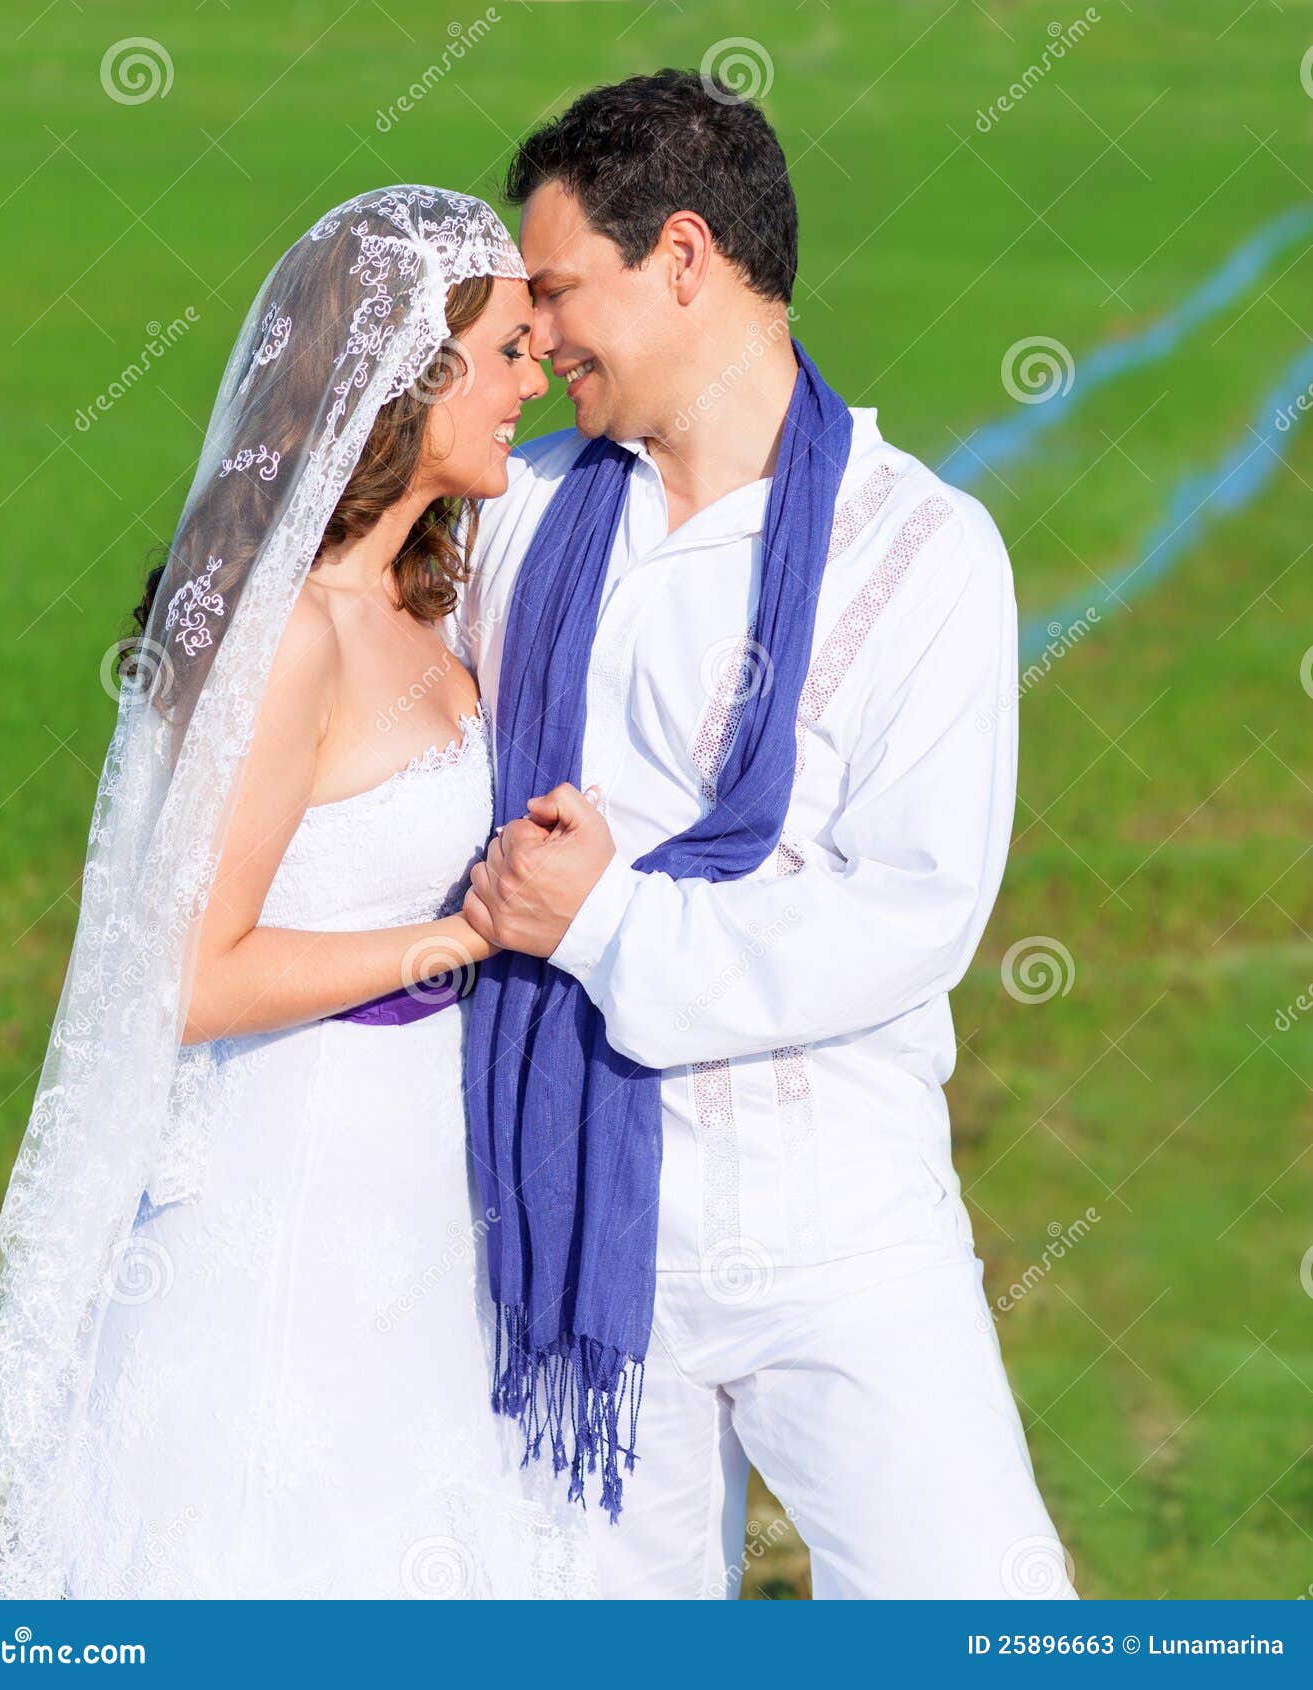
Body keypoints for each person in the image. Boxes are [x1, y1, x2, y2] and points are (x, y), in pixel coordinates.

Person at [451, 71, 1080, 1600]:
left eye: (556, 292)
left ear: (682, 259)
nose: (534, 341)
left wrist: (605, 923)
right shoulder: (518, 519)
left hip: (840, 1226)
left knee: (981, 1616)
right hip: (576, 1233)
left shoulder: (924, 548)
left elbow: (909, 911)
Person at [0, 186, 595, 1599]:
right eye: (500, 353)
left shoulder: (428, 601)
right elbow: (190, 974)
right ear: (408, 379)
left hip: (431, 1189)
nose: (529, 379)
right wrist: (456, 939)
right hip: (300, 1183)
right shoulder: (292, 634)